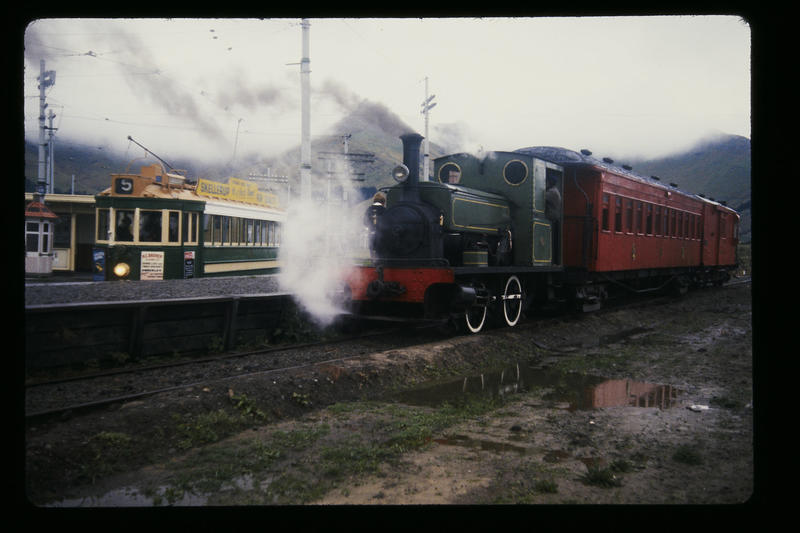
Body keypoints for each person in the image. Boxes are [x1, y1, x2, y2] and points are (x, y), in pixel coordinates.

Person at [545, 175, 561, 264]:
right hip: (553, 218)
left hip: (551, 218)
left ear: (550, 183)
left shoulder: (552, 192)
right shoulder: (554, 191)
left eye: (547, 182)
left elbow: (539, 197)